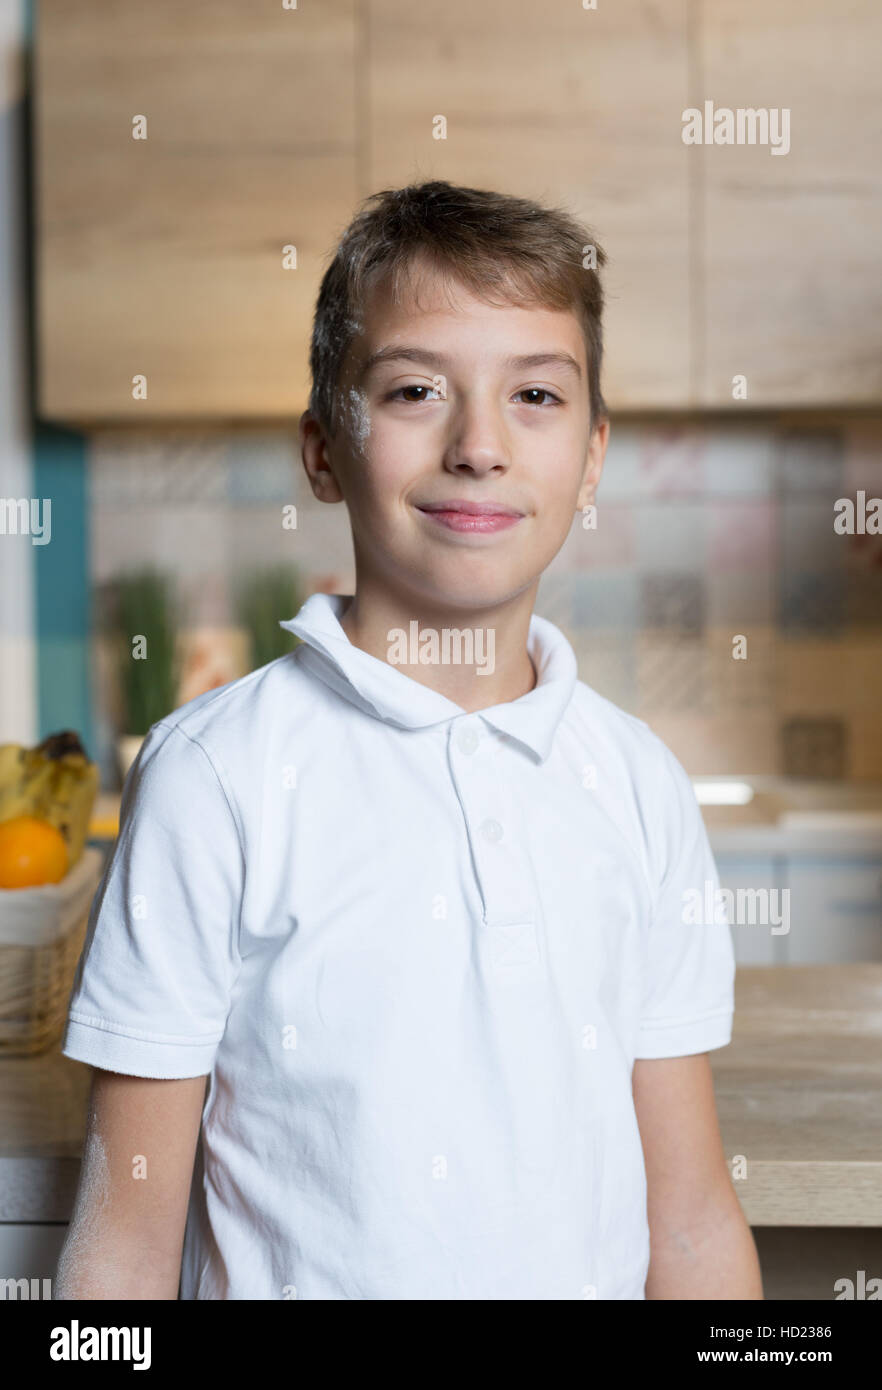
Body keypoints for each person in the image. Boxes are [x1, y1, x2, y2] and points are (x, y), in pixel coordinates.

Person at [56, 180, 763, 1300]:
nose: (479, 444)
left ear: (590, 461)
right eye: (416, 389)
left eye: (535, 392)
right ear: (325, 450)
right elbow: (124, 1243)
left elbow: (688, 1224)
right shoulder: (213, 776)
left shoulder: (638, 783)